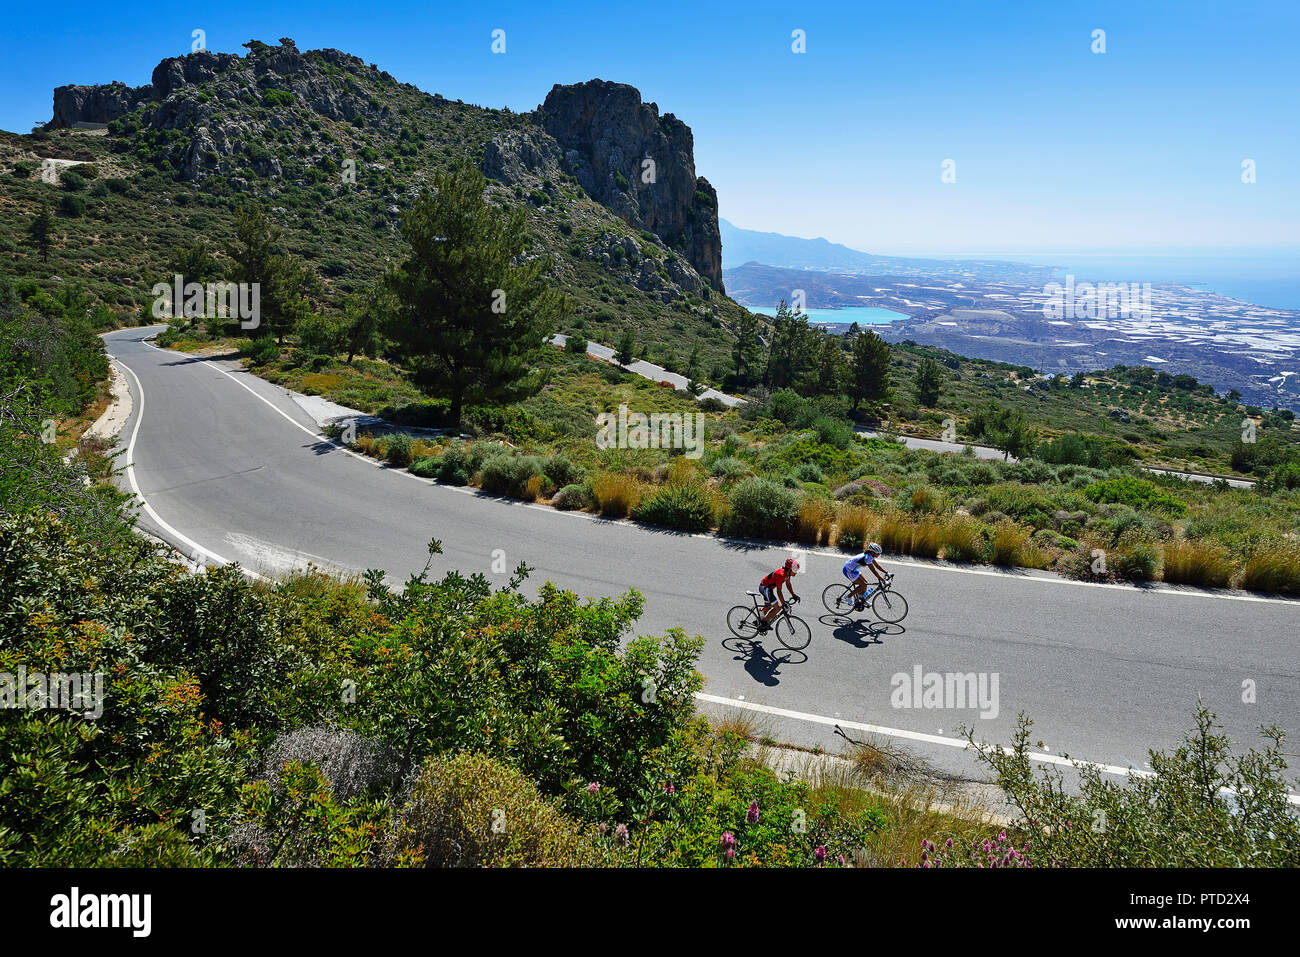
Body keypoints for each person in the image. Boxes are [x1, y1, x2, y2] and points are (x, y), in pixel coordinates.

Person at [842, 543, 891, 611]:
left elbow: (877, 566)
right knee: (863, 585)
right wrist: (883, 580)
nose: (879, 555)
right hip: (848, 570)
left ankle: (862, 600)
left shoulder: (870, 556)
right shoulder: (867, 558)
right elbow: (874, 571)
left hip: (853, 569)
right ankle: (848, 597)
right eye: (878, 553)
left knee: (865, 583)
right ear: (872, 552)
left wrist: (886, 572)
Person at [757, 557, 801, 631]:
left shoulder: (787, 574)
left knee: (768, 607)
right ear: (789, 569)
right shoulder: (780, 575)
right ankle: (764, 622)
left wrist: (794, 595)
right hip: (765, 588)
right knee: (778, 607)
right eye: (794, 570)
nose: (796, 572)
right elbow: (779, 591)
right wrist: (783, 604)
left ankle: (758, 621)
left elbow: (788, 584)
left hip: (768, 588)